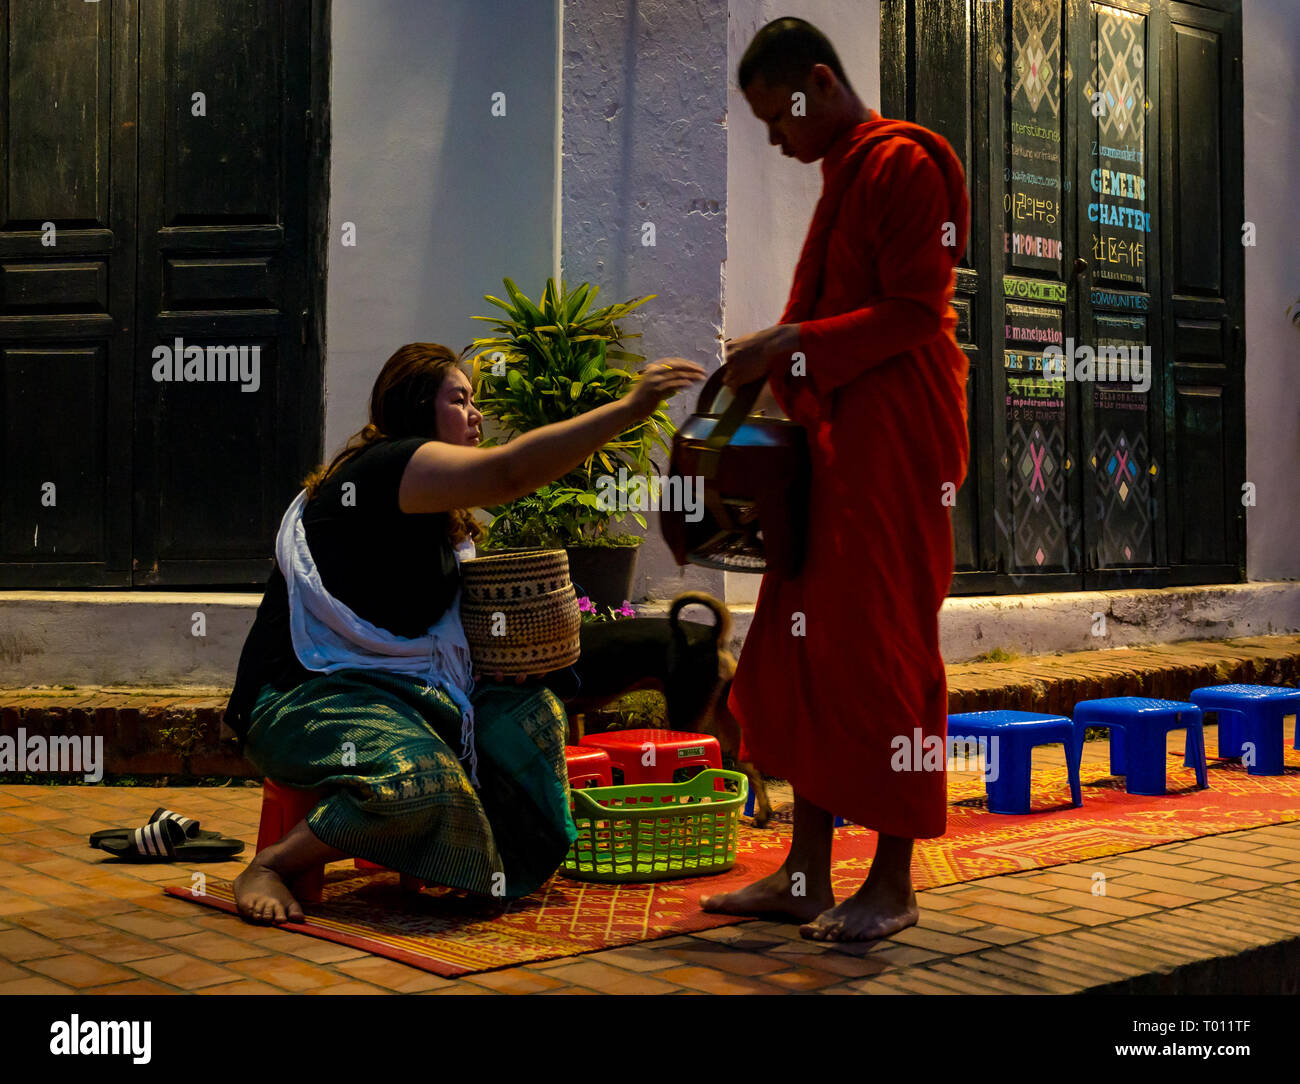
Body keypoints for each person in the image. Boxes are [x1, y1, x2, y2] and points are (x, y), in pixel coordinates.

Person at [225, 342, 704, 924]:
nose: (476, 414)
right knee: (418, 780)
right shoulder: (381, 471)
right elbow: (510, 471)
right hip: (303, 697)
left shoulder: (434, 517)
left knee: (529, 713)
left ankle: (487, 865)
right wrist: (630, 407)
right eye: (461, 399)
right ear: (418, 406)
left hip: (402, 693)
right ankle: (273, 864)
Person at [703, 18, 971, 941]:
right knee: (799, 646)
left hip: (894, 448)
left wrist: (790, 345)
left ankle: (892, 882)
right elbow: (824, 308)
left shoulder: (906, 164)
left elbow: (912, 311)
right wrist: (776, 363)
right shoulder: (845, 173)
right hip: (833, 446)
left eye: (779, 117)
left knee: (885, 649)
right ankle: (807, 874)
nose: (777, 139)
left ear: (817, 82)